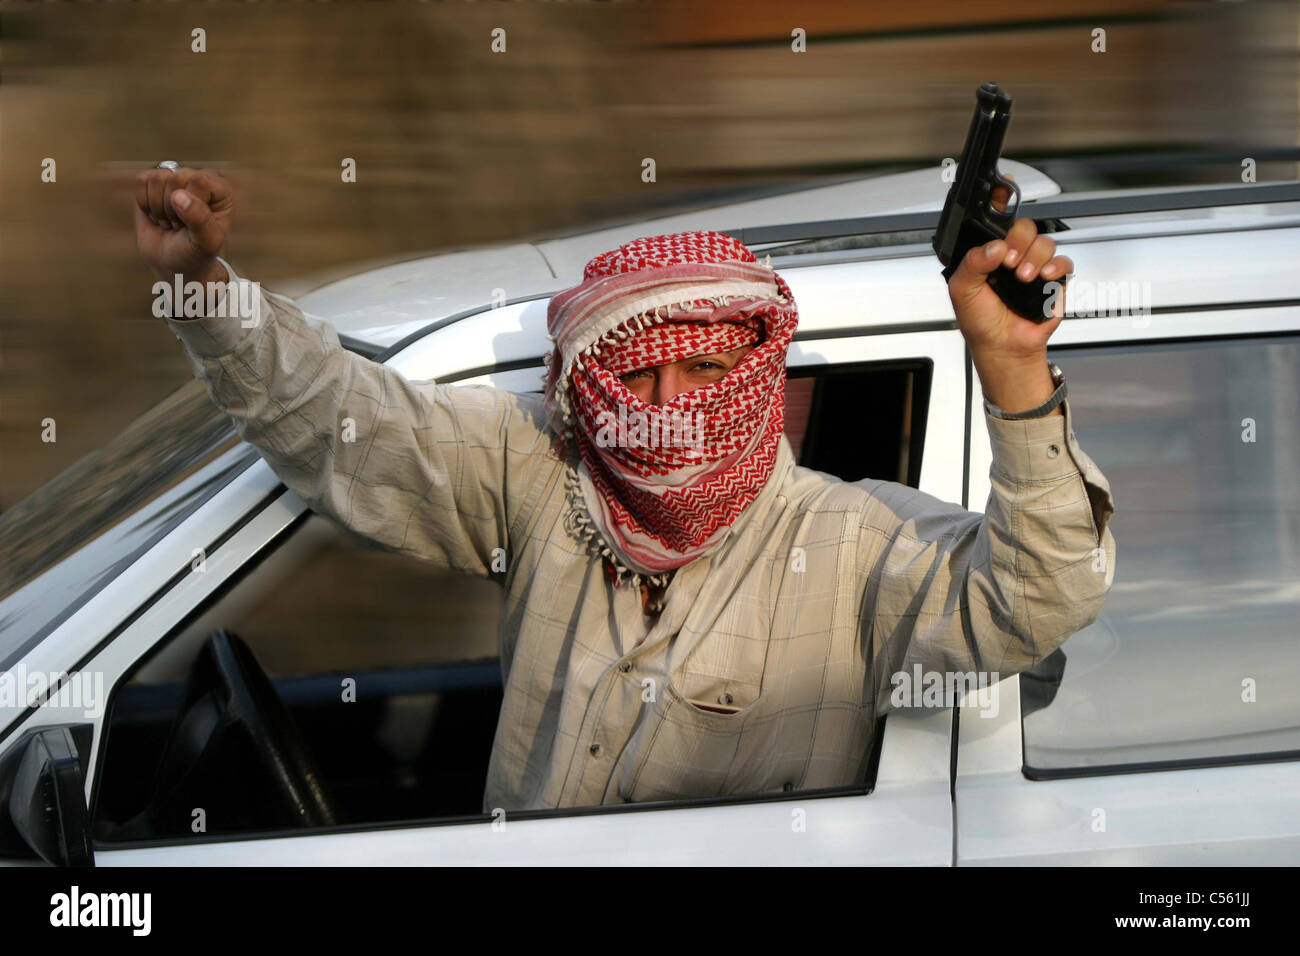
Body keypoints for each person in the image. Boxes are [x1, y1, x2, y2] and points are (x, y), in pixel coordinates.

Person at [135, 166, 1116, 811]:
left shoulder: (850, 545)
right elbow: (342, 425)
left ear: (755, 378)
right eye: (636, 376)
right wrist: (205, 285)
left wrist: (1012, 367)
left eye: (699, 374)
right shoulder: (541, 478)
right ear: (593, 382)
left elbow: (1034, 591)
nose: (664, 410)